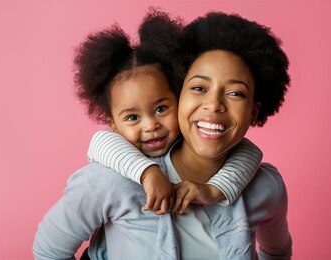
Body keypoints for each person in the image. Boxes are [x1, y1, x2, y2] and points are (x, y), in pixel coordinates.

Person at [33, 11, 291, 259]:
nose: (213, 105)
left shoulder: (266, 187)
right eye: (199, 87)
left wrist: (215, 191)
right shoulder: (110, 180)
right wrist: (148, 172)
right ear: (181, 94)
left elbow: (277, 251)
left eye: (236, 93)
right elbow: (48, 251)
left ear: (254, 111)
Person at [71, 10, 262, 215]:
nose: (151, 125)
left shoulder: (191, 137)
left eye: (161, 109)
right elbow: (101, 141)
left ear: (177, 97)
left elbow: (250, 153)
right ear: (113, 124)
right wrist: (148, 172)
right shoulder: (109, 171)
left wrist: (215, 190)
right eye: (133, 117)